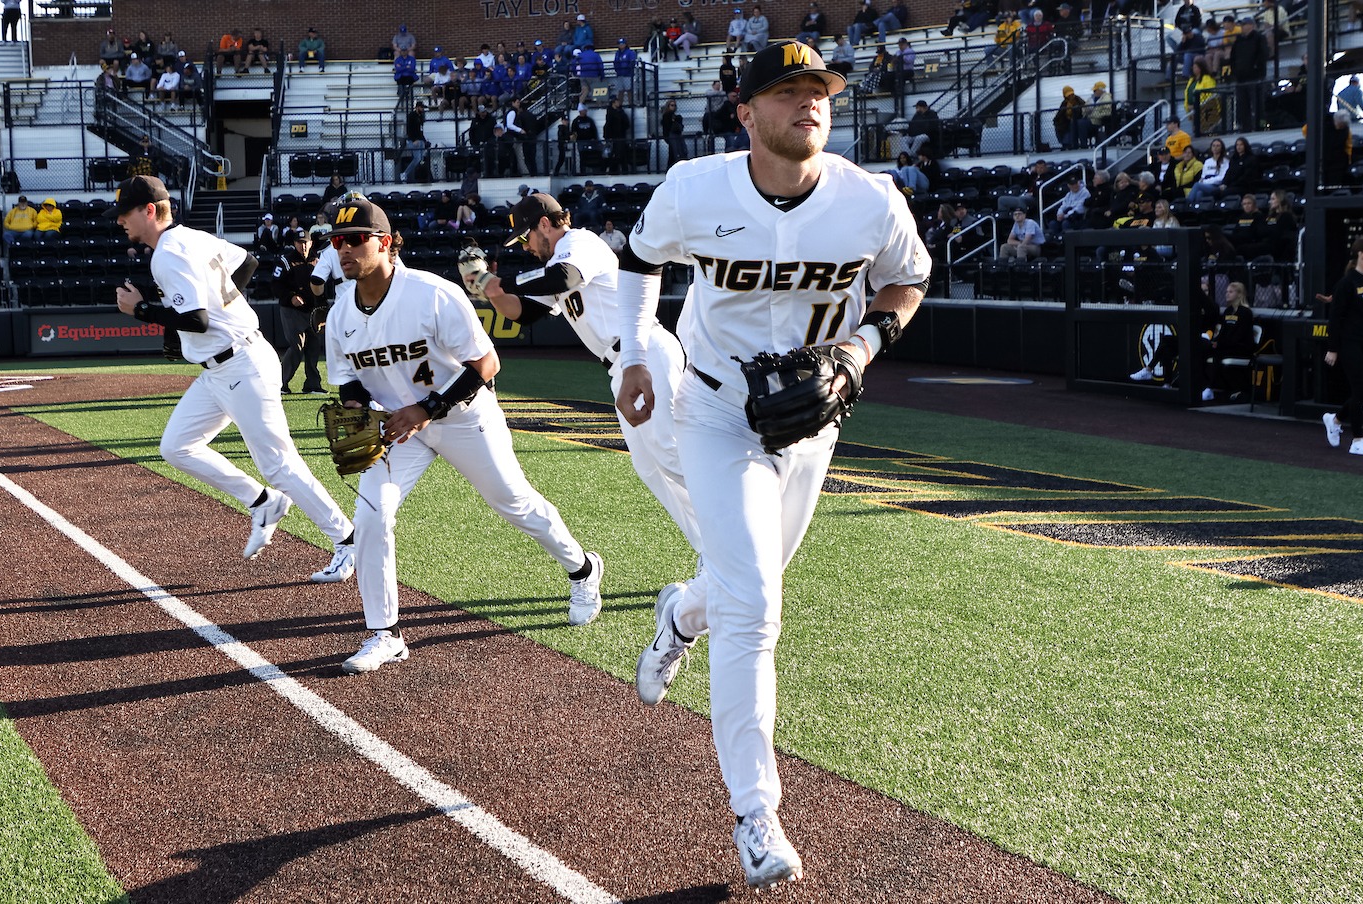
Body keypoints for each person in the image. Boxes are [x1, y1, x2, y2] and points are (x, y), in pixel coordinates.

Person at [613, 41, 929, 891]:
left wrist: (861, 349)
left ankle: (680, 614)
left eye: (820, 90)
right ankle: (756, 816)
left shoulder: (871, 200)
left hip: (813, 416)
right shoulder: (695, 187)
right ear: (745, 112)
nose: (810, 104)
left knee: (741, 584)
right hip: (714, 407)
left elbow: (909, 281)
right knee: (756, 607)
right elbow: (640, 262)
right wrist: (635, 355)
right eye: (787, 92)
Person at [320, 196, 603, 672]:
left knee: (513, 502)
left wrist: (427, 409)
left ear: (385, 243)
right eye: (336, 241)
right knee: (371, 517)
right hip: (397, 427)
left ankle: (582, 568)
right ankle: (383, 634)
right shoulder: (343, 310)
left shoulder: (431, 293)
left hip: (463, 416)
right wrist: (355, 409)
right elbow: (347, 375)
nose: (343, 249)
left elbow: (487, 364)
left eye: (355, 239)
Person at [109, 175, 356, 579]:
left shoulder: (166, 254)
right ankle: (262, 501)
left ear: (149, 210)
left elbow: (196, 319)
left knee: (280, 465)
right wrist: (220, 311)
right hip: (220, 368)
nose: (120, 220)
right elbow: (248, 263)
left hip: (241, 363)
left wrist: (141, 311)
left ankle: (347, 539)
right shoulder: (191, 236)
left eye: (125, 212)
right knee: (177, 446)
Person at [476, 191, 700, 604]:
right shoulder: (551, 261)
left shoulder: (579, 243)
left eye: (526, 236)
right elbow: (521, 312)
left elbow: (565, 279)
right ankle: (710, 553)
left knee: (670, 455)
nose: (525, 246)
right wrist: (484, 287)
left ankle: (730, 551)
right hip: (621, 365)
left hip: (644, 351)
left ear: (545, 224)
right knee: (650, 467)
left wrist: (501, 281)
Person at [1315, 236, 1363, 455]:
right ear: (1362, 254)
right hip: (1350, 343)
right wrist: (1332, 348)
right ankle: (1357, 440)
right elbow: (1336, 318)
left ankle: (1335, 419)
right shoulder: (1347, 283)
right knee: (1359, 388)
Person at [274, 229, 324, 395]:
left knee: (314, 347)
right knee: (297, 346)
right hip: (292, 310)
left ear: (311, 243)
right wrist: (291, 297)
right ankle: (280, 384)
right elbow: (275, 284)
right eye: (299, 242)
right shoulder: (286, 260)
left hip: (313, 310)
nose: (303, 246)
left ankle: (312, 385)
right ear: (294, 244)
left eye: (305, 242)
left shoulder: (318, 260)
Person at [1202, 280, 1256, 401]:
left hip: (1241, 347)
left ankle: (1210, 388)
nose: (1227, 294)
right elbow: (1222, 332)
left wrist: (1220, 344)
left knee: (1217, 354)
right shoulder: (1227, 311)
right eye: (1226, 291)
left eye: (1230, 292)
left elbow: (1240, 335)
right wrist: (1216, 341)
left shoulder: (1246, 313)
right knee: (1205, 350)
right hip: (1227, 346)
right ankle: (1204, 385)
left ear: (1239, 294)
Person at [1228, 17, 1268, 131]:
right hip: (1241, 79)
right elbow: (1232, 57)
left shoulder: (1259, 38)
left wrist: (1257, 69)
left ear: (1251, 25)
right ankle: (1245, 128)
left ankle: (1262, 126)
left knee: (1259, 105)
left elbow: (1264, 54)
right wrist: (1235, 71)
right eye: (1242, 25)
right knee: (1242, 106)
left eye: (1244, 24)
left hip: (1256, 78)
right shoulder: (1238, 40)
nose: (1242, 27)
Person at [660, 98, 688, 166]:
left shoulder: (675, 116)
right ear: (668, 106)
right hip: (671, 136)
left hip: (675, 136)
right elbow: (668, 126)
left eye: (674, 105)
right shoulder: (667, 115)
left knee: (674, 152)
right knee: (675, 152)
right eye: (672, 105)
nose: (674, 107)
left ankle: (671, 167)